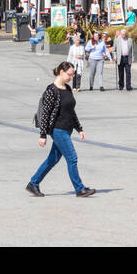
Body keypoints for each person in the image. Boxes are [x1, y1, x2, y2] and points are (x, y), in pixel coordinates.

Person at [27, 61, 95, 197]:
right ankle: (79, 189)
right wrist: (43, 135)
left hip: (67, 129)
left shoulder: (68, 89)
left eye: (72, 75)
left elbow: (71, 111)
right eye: (69, 74)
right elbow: (45, 114)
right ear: (61, 72)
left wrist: (79, 128)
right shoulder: (51, 91)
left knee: (52, 159)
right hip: (58, 130)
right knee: (72, 158)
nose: (71, 77)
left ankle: (33, 183)